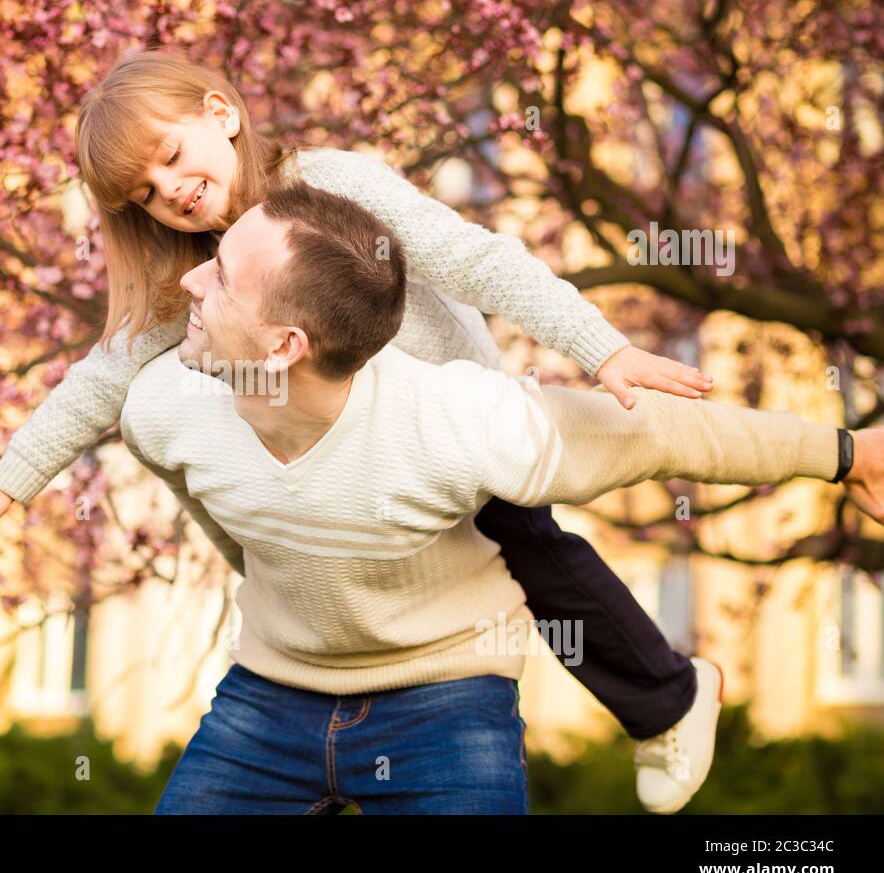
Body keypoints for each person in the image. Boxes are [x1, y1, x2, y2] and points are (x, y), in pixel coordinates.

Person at [0, 48, 735, 811]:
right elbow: (104, 377)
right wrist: (5, 484)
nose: (173, 193)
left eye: (170, 158)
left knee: (535, 551)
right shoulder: (197, 271)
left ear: (222, 113)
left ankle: (673, 697)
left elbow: (475, 259)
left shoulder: (333, 186)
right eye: (147, 195)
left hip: (448, 433)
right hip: (346, 473)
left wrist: (605, 350)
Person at [113, 180, 883, 813]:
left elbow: (664, 437)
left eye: (218, 277)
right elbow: (239, 536)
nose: (188, 278)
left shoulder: (461, 420)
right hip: (268, 700)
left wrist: (847, 453)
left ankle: (674, 698)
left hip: (446, 699)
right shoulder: (158, 412)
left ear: (284, 346)